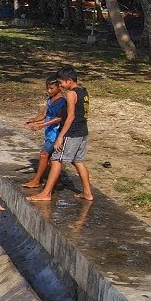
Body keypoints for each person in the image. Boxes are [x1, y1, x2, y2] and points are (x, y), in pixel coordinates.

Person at [30, 66, 93, 202]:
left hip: (71, 133)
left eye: (61, 82)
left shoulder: (71, 94)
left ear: (69, 81)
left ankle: (46, 193)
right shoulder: (83, 91)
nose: (60, 85)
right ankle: (87, 192)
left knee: (56, 159)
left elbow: (70, 117)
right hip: (83, 132)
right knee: (78, 161)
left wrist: (60, 137)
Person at [22, 76, 67, 189]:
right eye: (47, 88)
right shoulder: (50, 100)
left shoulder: (62, 102)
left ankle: (37, 180)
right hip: (49, 133)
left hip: (56, 133)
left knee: (44, 154)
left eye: (51, 88)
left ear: (59, 88)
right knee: (51, 157)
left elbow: (59, 118)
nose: (49, 91)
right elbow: (44, 114)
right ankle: (58, 180)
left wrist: (42, 125)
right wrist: (33, 119)